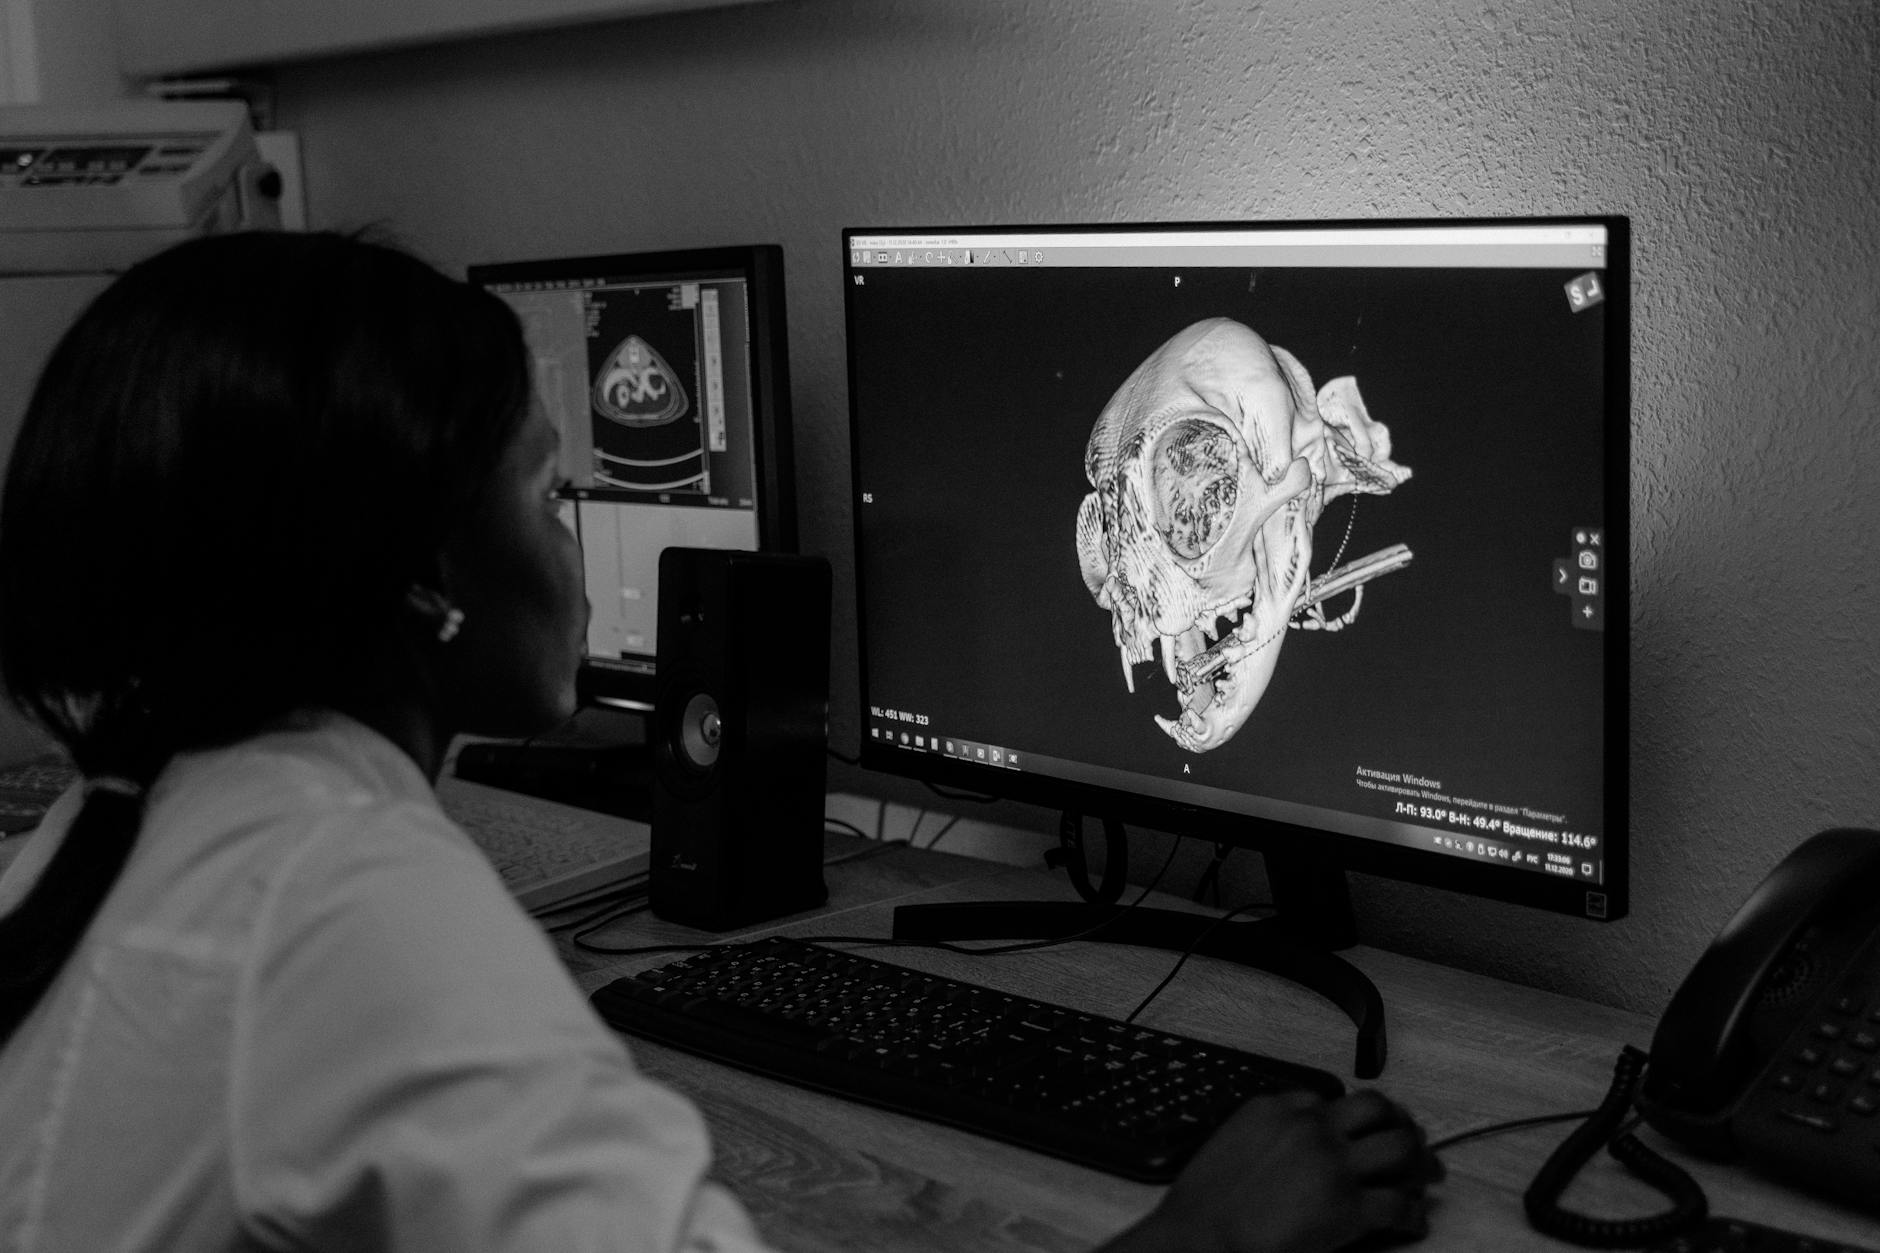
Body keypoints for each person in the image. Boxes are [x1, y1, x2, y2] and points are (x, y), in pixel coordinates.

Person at [0, 230, 1440, 1252]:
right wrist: (1203, 1233)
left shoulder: (109, 830)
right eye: (551, 494)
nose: (575, 551)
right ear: (422, 578)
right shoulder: (346, 906)